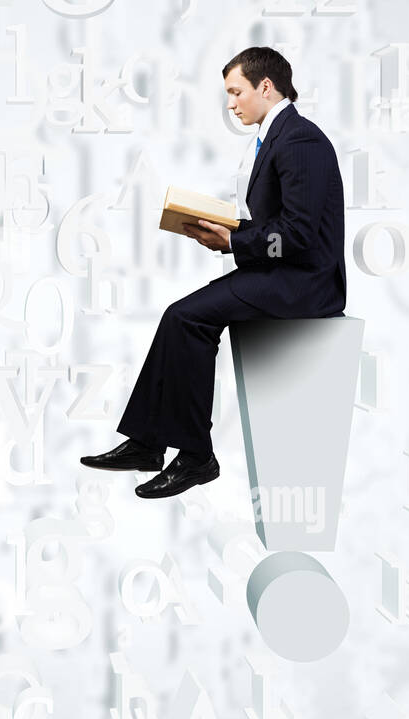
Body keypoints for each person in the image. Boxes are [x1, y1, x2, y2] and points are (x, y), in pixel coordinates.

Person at [81, 46, 347, 499]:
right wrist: (222, 228)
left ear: (266, 86)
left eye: (236, 92)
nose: (231, 104)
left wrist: (235, 241)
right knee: (178, 315)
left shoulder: (299, 139)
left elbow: (299, 236)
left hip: (306, 284)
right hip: (283, 273)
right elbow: (280, 226)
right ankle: (148, 444)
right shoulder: (277, 135)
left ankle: (196, 457)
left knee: (188, 318)